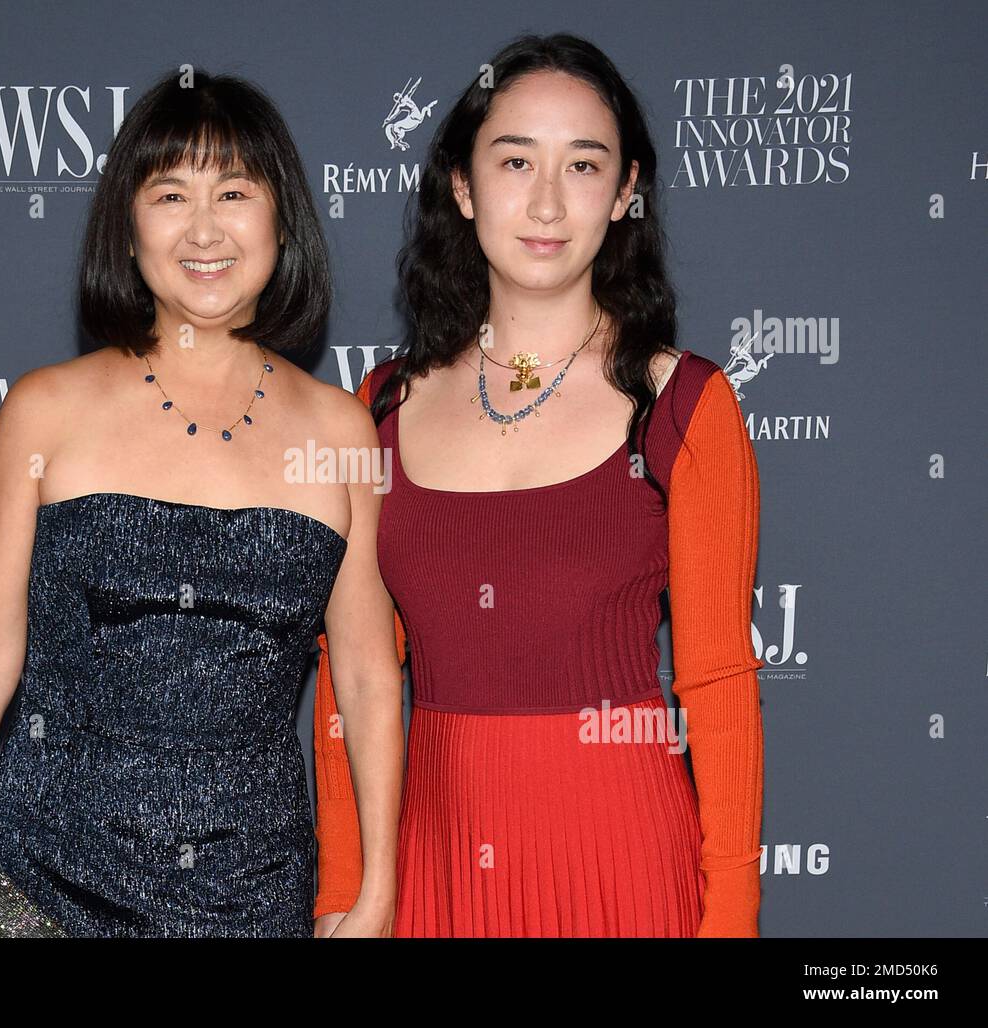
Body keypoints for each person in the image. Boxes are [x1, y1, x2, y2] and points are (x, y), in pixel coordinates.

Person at [0, 68, 403, 938]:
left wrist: (379, 887)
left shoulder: (343, 431)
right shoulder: (43, 412)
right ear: (128, 228)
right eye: (171, 193)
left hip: (256, 902)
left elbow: (365, 674)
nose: (204, 228)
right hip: (36, 895)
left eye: (235, 192)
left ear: (282, 221)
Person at [312, 33, 766, 938]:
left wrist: (732, 921)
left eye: (584, 165)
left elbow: (717, 685)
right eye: (516, 160)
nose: (548, 202)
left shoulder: (685, 405)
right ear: (463, 185)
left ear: (625, 191)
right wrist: (346, 891)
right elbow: (350, 681)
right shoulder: (379, 408)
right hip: (434, 866)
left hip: (624, 863)